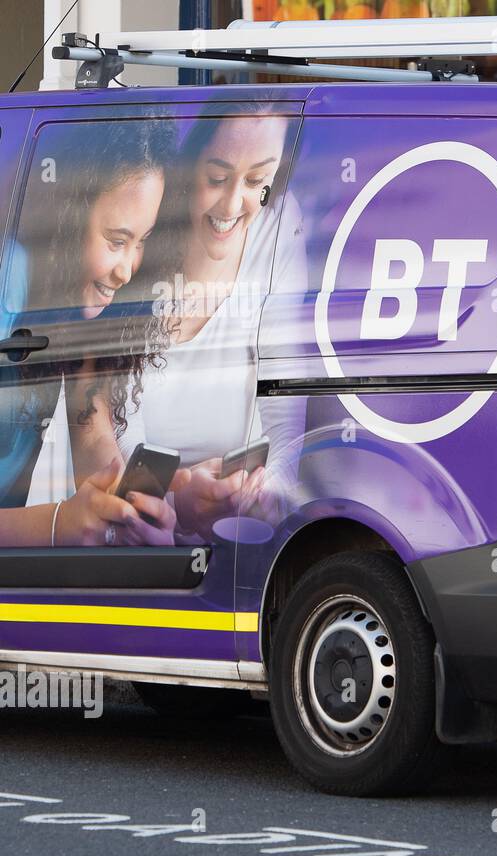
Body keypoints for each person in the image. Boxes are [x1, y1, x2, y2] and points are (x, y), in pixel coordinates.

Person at [118, 101, 307, 543]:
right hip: (144, 528)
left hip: (238, 533)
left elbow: (286, 395)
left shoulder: (279, 224)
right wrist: (178, 500)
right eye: (217, 178)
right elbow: (116, 418)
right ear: (188, 171)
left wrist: (269, 493)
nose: (232, 203)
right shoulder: (143, 234)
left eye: (257, 181)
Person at [0, 120, 181, 547]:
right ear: (70, 214)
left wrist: (132, 512)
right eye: (117, 240)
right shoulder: (11, 274)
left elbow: (93, 436)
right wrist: (57, 525)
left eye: (142, 242)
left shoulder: (72, 308)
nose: (127, 269)